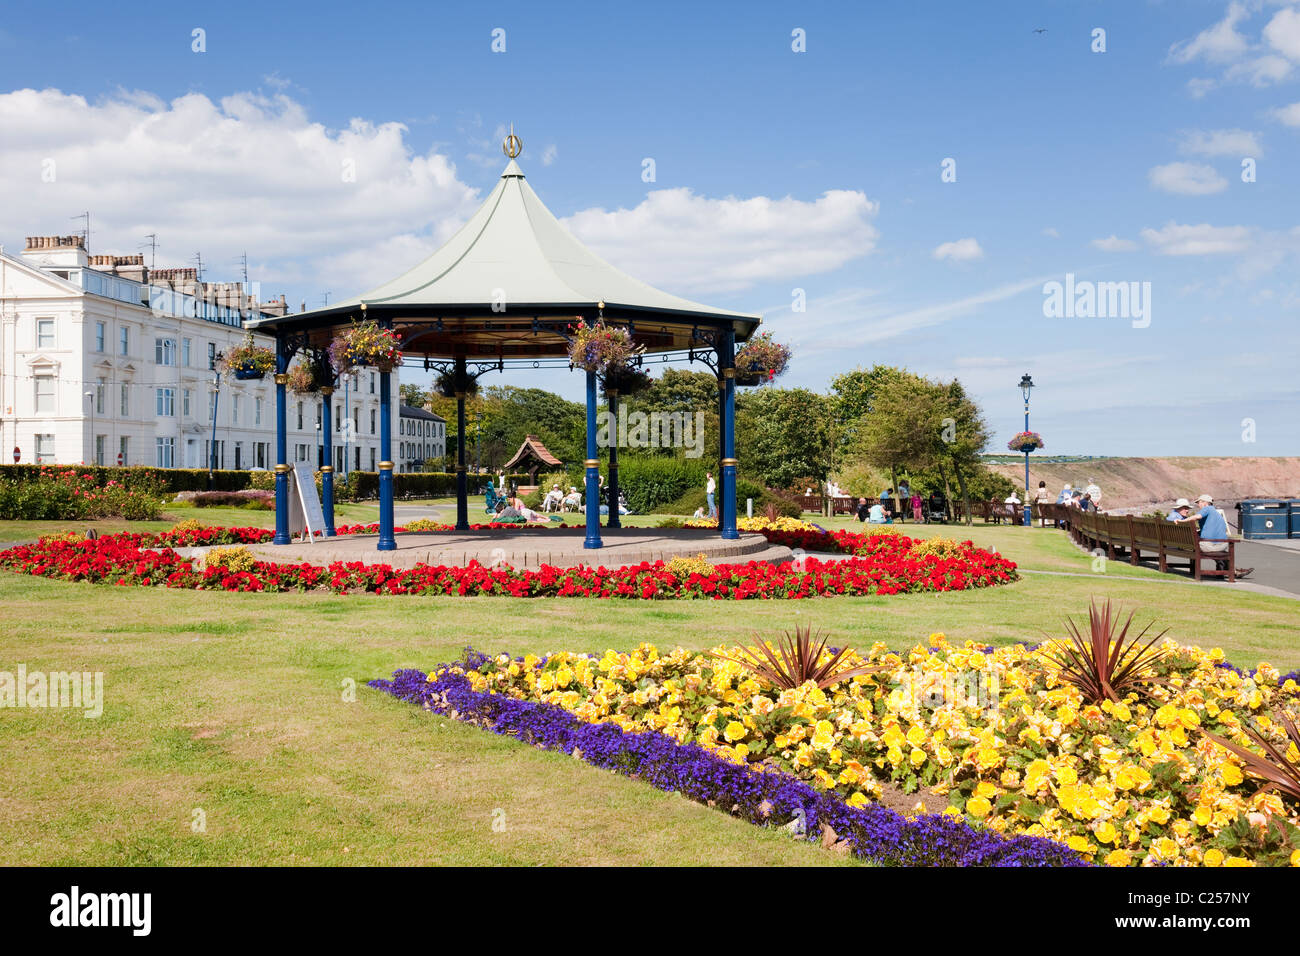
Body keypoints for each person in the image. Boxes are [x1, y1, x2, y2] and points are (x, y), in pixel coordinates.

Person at [1193, 494, 1252, 576]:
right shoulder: (1210, 512)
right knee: (1219, 550)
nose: (1198, 505)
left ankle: (1230, 571)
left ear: (1205, 503)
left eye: (1198, 502)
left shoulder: (1205, 512)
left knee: (1217, 549)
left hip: (1196, 545)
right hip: (1204, 545)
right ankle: (1233, 571)